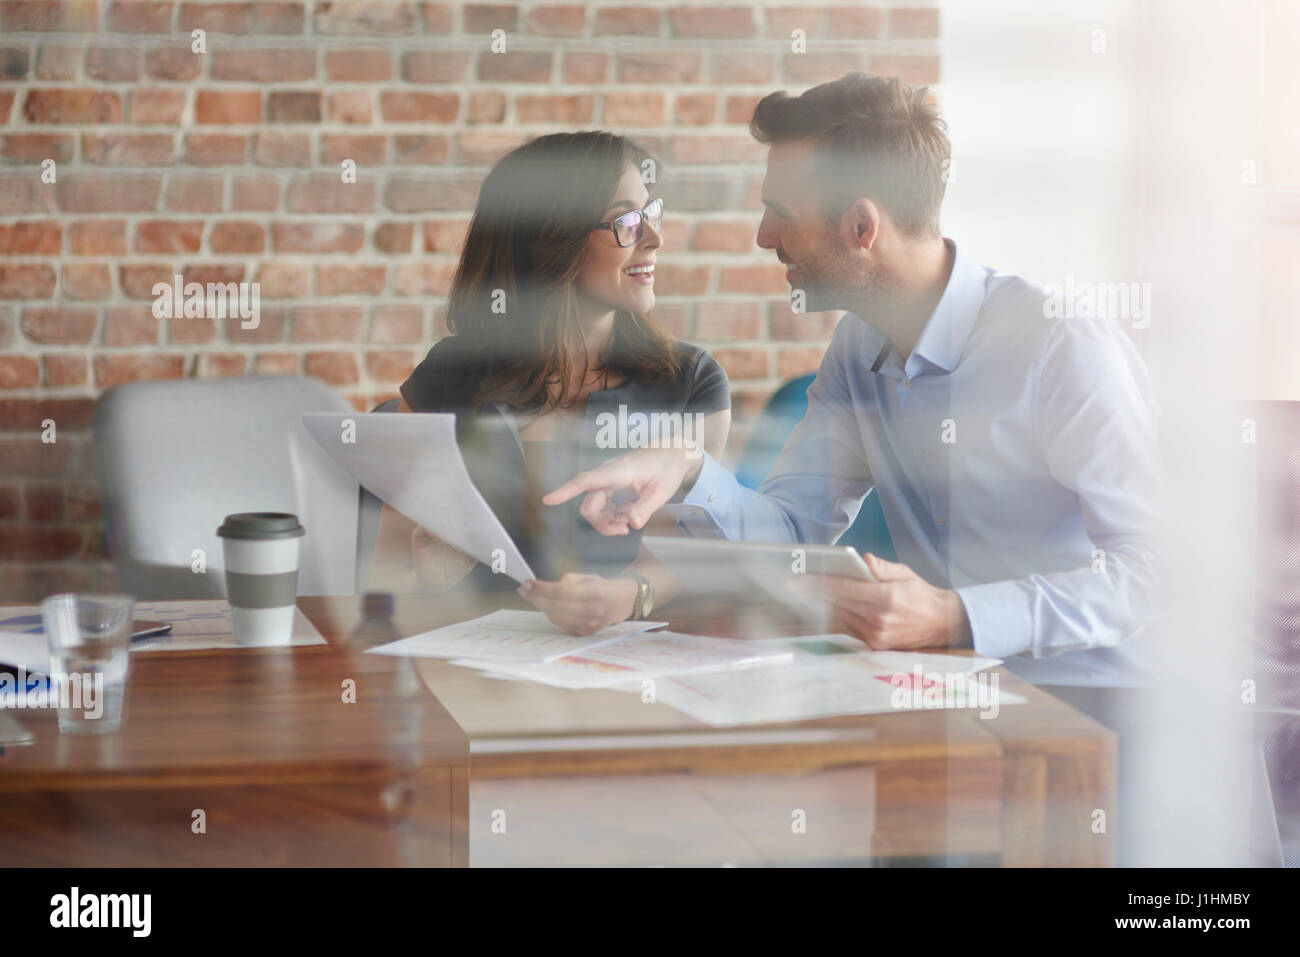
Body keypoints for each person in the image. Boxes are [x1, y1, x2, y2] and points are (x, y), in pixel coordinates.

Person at [544, 74, 1163, 692]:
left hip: (1106, 706)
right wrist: (686, 466)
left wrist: (957, 616)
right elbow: (791, 530)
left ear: (861, 228)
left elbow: (1156, 576)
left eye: (781, 214)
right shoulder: (857, 346)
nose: (764, 236)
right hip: (951, 695)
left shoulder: (1059, 345)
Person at [370, 131, 732, 634]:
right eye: (626, 221)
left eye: (652, 213)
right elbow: (383, 572)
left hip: (634, 658)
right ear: (550, 238)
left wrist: (626, 598)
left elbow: (693, 554)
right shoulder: (449, 375)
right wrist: (427, 578)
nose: (654, 238)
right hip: (477, 660)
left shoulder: (691, 383)